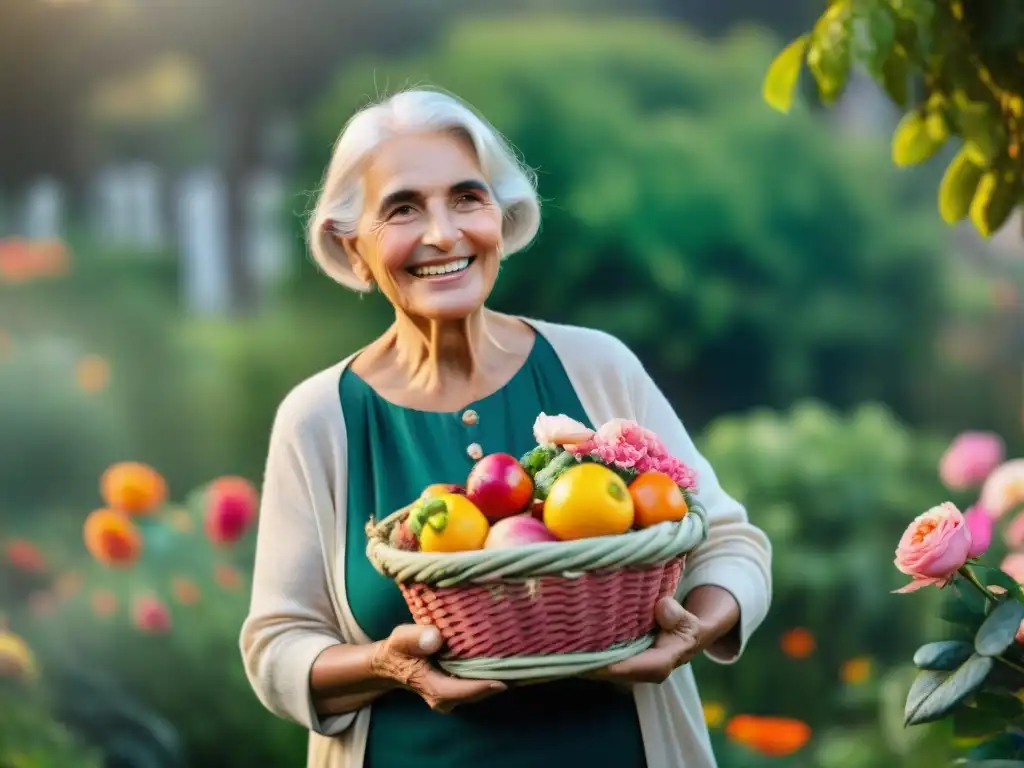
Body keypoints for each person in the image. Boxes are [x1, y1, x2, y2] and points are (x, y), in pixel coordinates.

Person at [240, 87, 772, 768]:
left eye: (467, 198)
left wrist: (691, 632)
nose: (443, 233)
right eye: (403, 208)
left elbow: (730, 543)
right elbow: (277, 644)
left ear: (500, 214)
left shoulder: (594, 367)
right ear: (353, 249)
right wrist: (387, 664)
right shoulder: (320, 418)